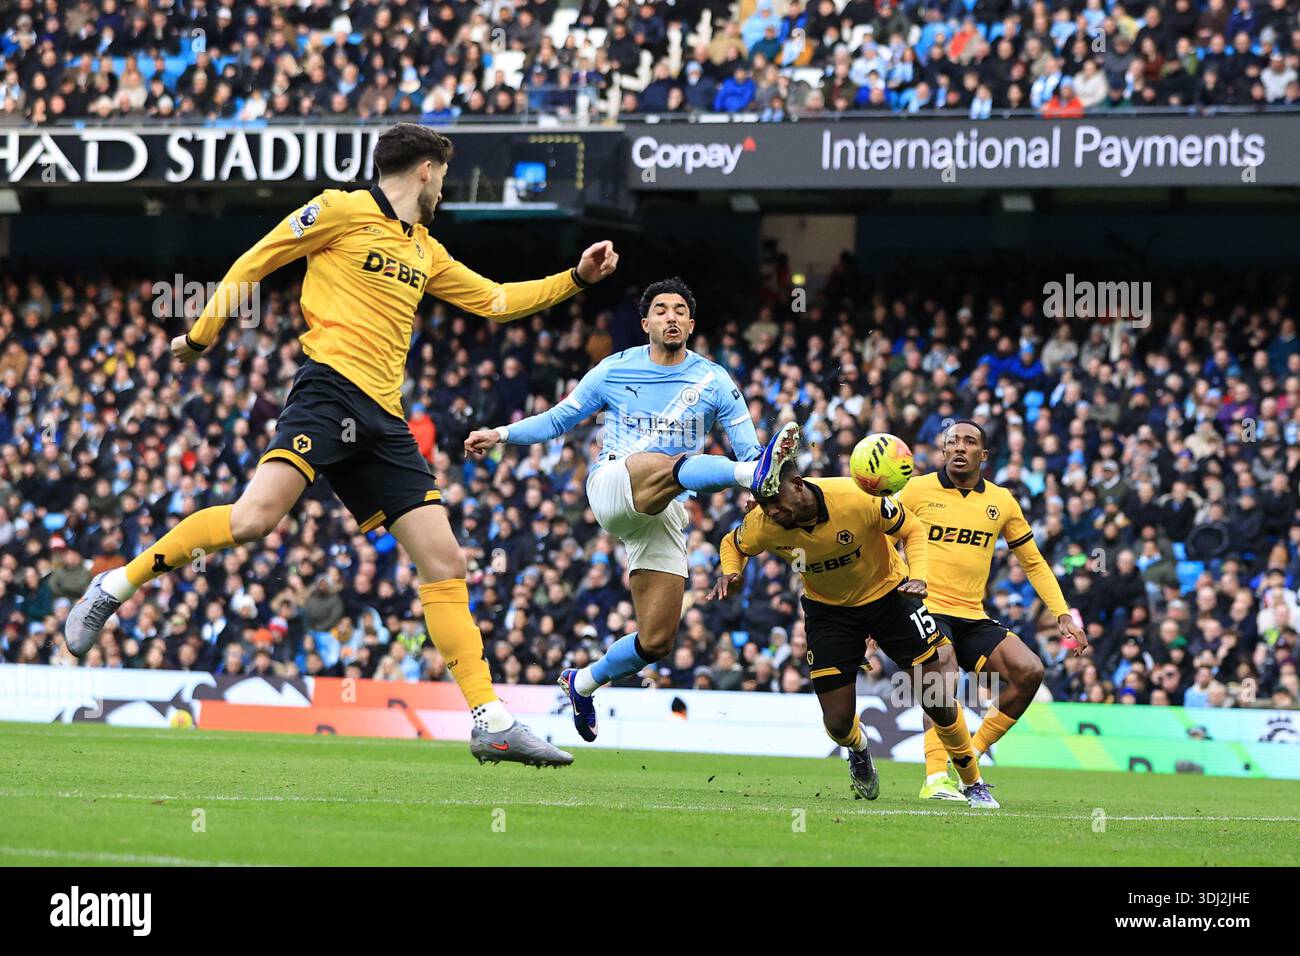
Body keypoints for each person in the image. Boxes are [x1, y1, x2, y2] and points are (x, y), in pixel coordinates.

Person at [64, 122, 620, 768]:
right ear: (424, 171)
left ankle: (490, 720)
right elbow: (259, 258)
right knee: (252, 520)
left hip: (386, 421)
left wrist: (575, 279)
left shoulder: (425, 250)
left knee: (446, 562)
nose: (445, 185)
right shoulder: (340, 209)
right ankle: (115, 584)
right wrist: (204, 331)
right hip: (327, 394)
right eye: (443, 174)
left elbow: (496, 301)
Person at [464, 277, 799, 742]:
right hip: (615, 484)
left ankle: (582, 683)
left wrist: (764, 486)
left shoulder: (714, 379)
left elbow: (748, 450)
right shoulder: (613, 369)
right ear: (645, 323)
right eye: (661, 310)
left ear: (692, 323)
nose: (671, 316)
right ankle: (744, 477)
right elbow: (559, 419)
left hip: (665, 510)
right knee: (668, 463)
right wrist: (500, 434)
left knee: (657, 639)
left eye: (680, 310)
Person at [709, 461, 999, 808]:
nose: (771, 510)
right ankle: (859, 749)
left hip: (891, 596)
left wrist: (919, 575)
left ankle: (972, 782)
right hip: (829, 613)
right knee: (836, 720)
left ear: (798, 485)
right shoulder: (764, 523)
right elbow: (732, 543)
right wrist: (731, 571)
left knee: (936, 696)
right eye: (763, 502)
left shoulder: (857, 497)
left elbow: (914, 529)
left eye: (775, 500)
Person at [899, 420, 1088, 800]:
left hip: (973, 613)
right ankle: (935, 778)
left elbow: (1033, 561)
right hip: (925, 608)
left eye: (969, 442)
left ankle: (970, 754)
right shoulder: (916, 490)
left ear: (982, 455)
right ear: (943, 450)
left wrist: (1062, 613)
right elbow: (879, 538)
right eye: (952, 442)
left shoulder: (1001, 501)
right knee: (943, 669)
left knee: (1029, 670)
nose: (959, 448)